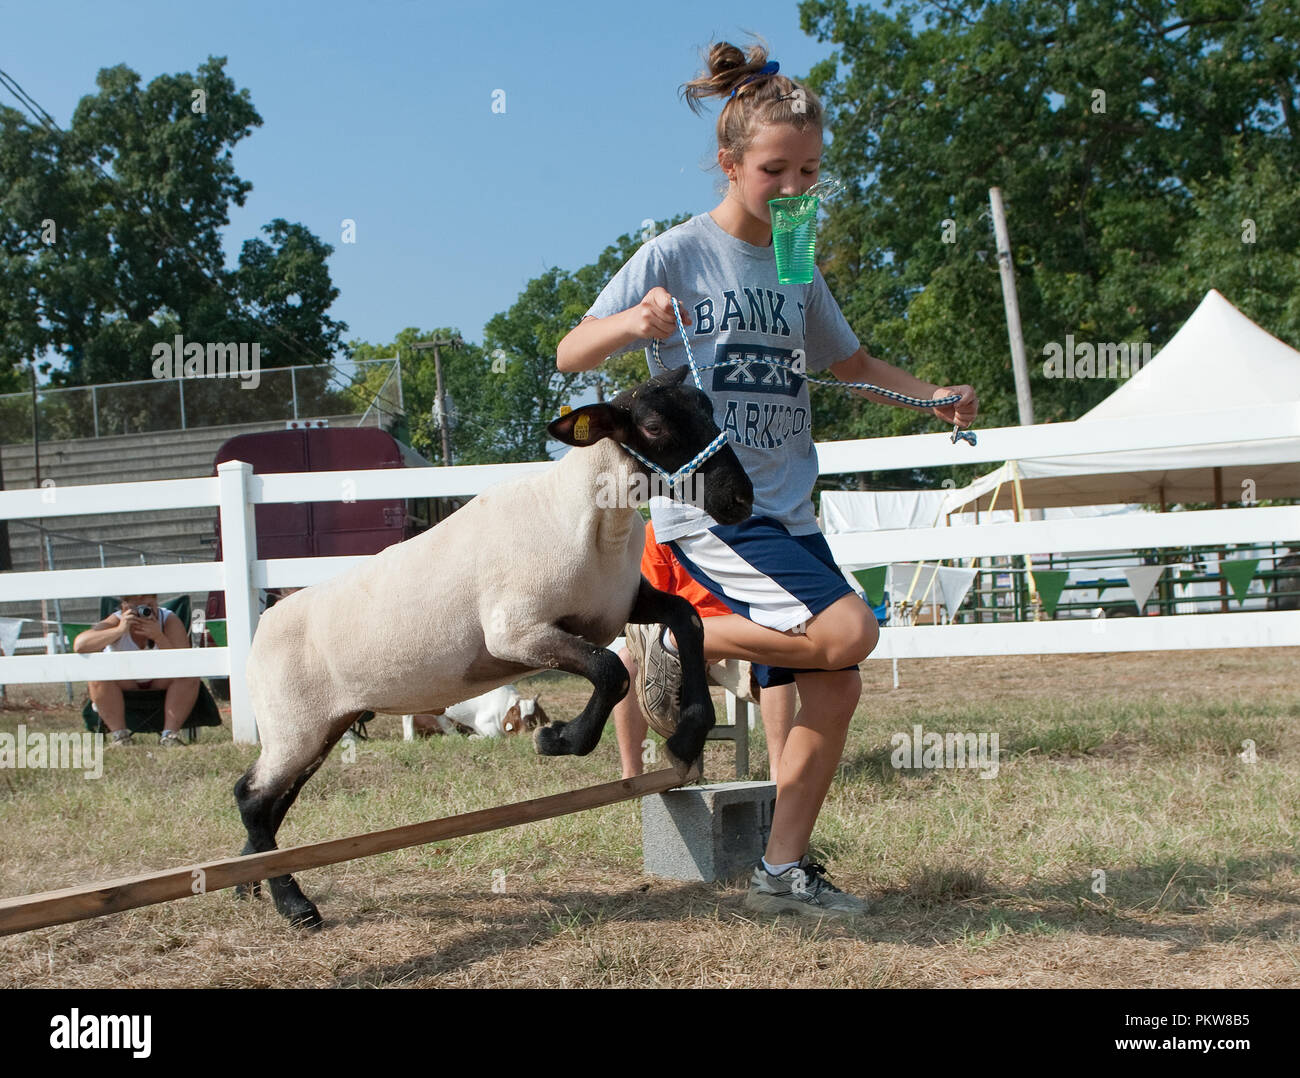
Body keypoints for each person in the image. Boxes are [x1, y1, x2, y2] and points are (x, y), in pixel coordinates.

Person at [557, 38, 978, 918]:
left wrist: (928, 393)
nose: (795, 190)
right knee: (851, 632)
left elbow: (849, 357)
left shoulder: (794, 253)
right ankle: (681, 639)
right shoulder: (673, 254)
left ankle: (782, 872)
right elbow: (570, 352)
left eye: (810, 171)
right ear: (729, 162)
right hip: (711, 503)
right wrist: (636, 321)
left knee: (838, 678)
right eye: (774, 171)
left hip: (789, 502)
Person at [614, 521, 798, 782]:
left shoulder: (741, 522)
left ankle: (782, 773)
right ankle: (631, 775)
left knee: (775, 661)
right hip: (681, 637)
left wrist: (715, 639)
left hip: (736, 632)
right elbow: (656, 605)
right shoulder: (658, 530)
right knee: (626, 662)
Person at [73, 594, 200, 748]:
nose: (144, 611)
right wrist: (119, 630)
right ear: (125, 608)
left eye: (149, 606)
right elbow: (80, 644)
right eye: (137, 607)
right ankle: (121, 737)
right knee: (98, 675)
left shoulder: (168, 620)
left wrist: (158, 636)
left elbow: (184, 661)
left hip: (161, 682)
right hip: (126, 682)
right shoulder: (116, 620)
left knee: (189, 675)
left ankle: (169, 736)